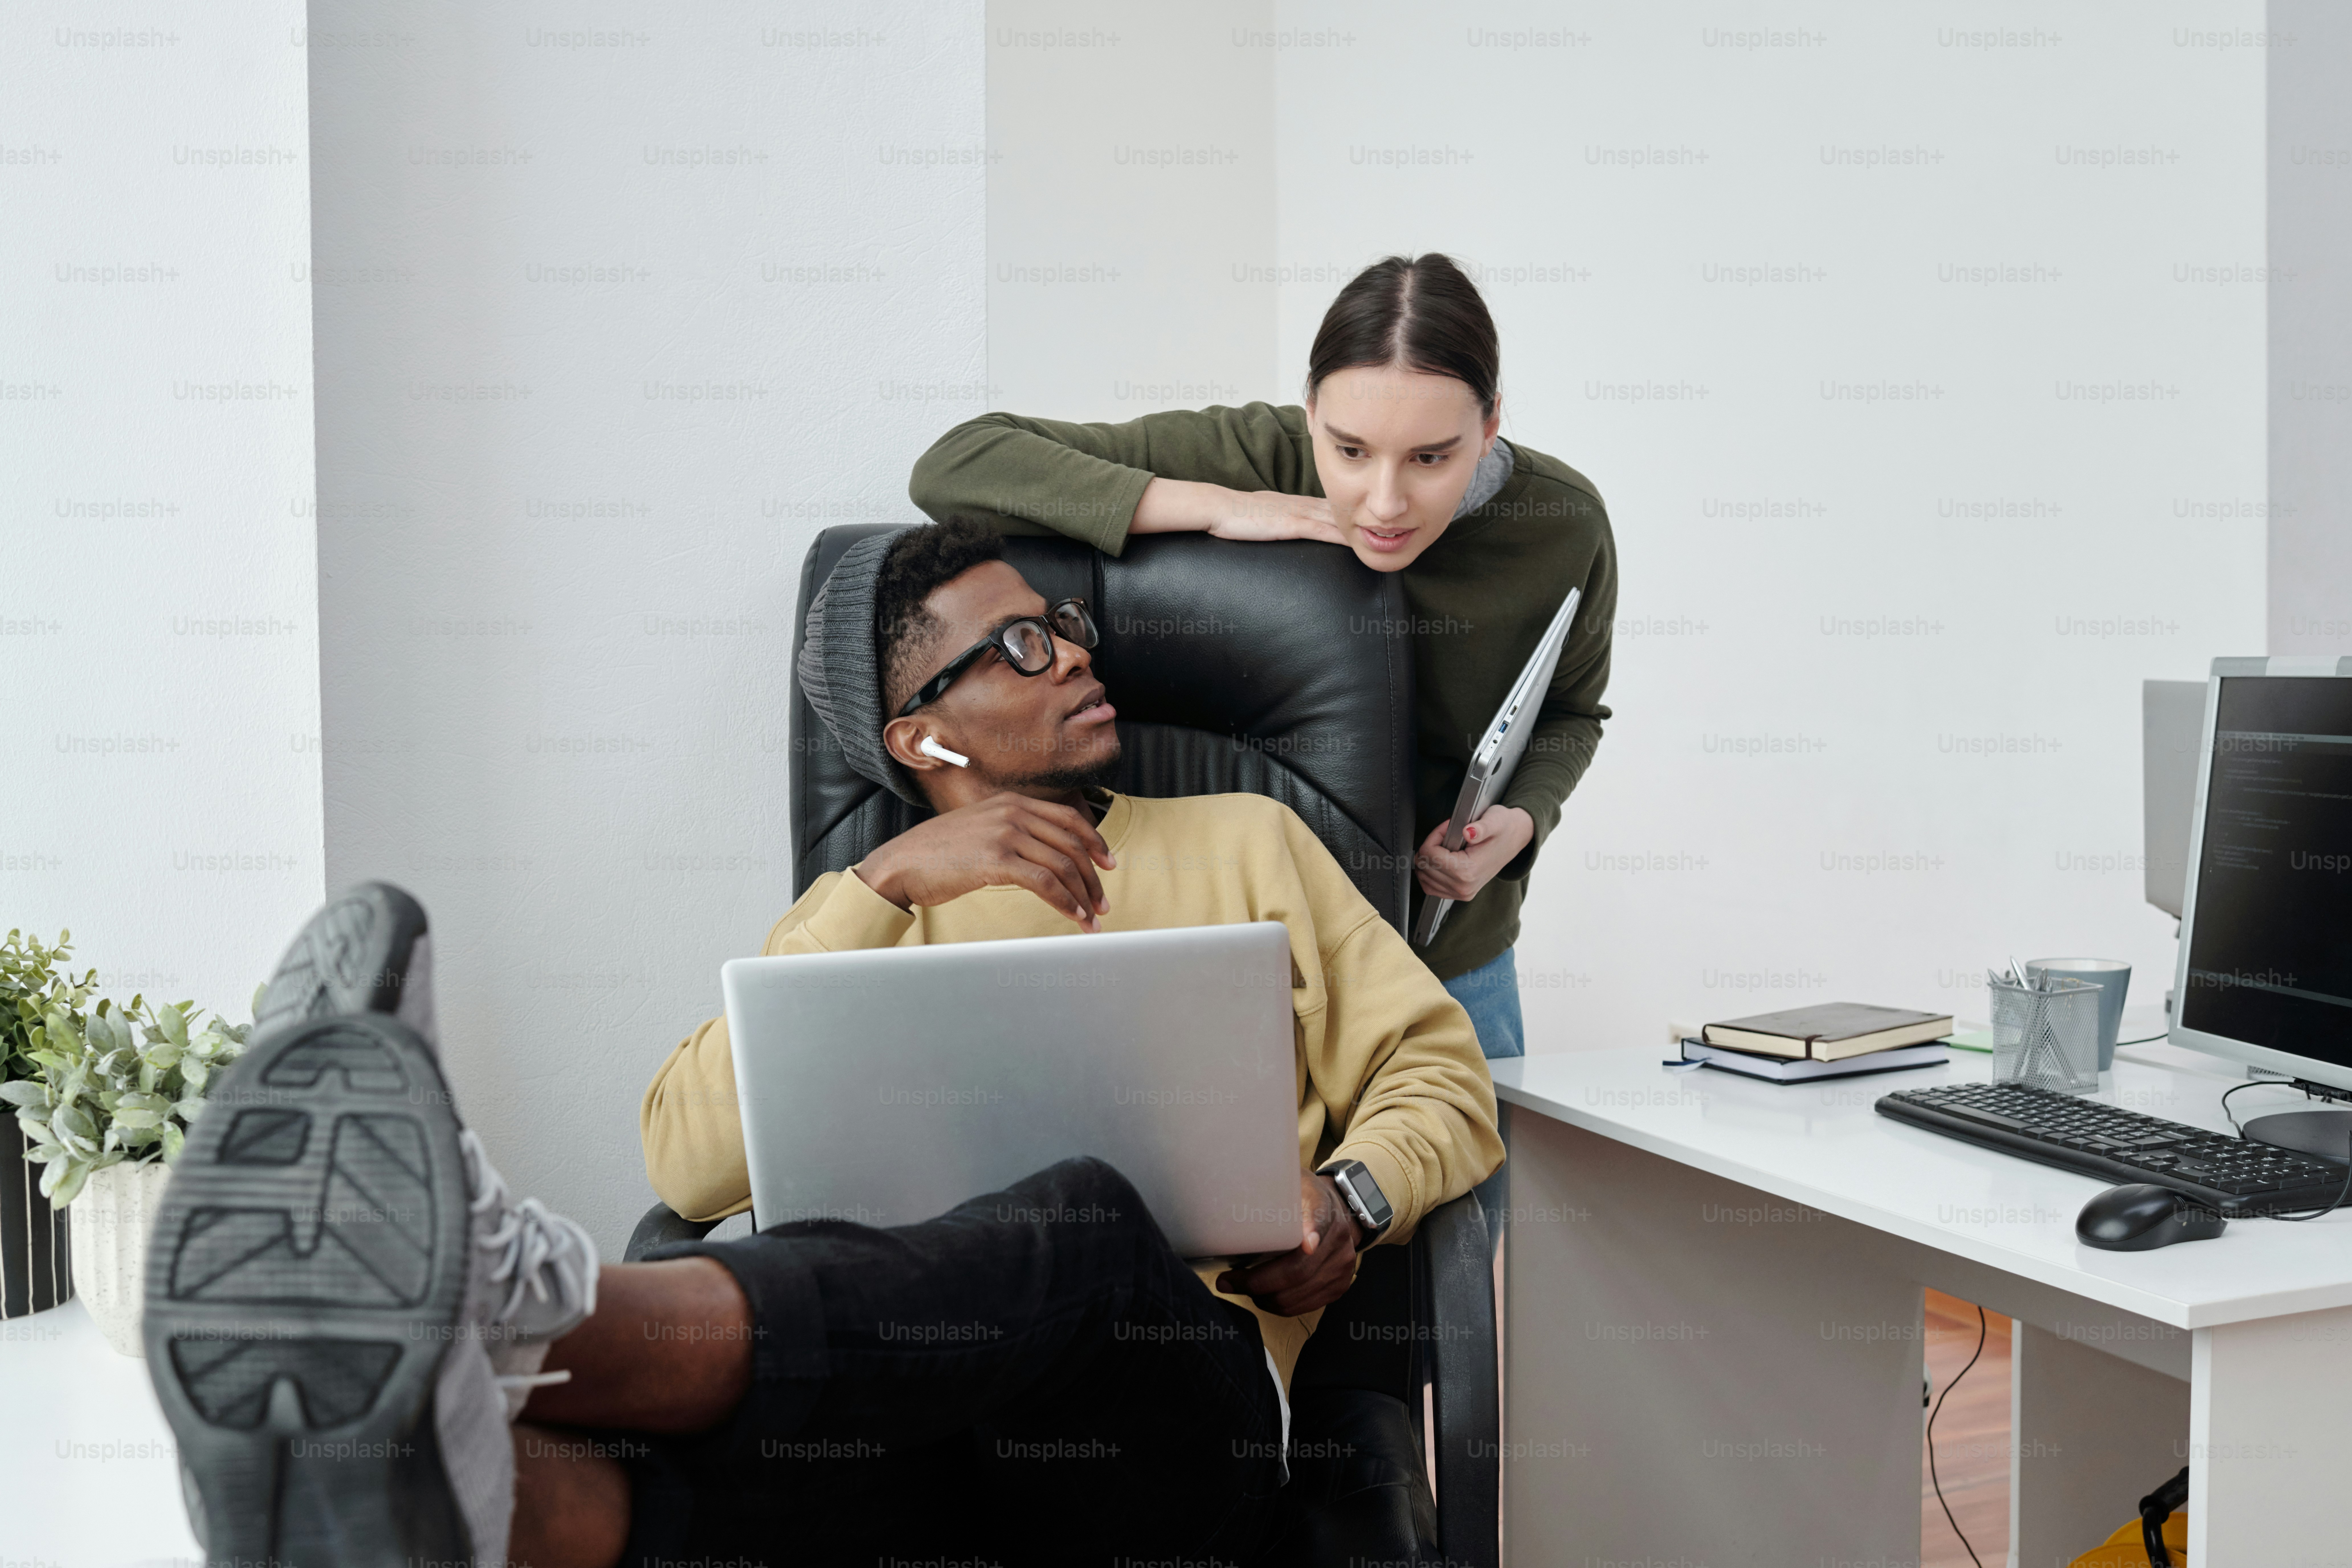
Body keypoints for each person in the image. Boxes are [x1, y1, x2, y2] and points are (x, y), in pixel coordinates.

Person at [145, 519, 1498, 1566]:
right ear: (919, 735)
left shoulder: (1248, 842)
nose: (1078, 653)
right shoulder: (861, 911)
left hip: (1173, 1428)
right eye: (1020, 645)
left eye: (1064, 625)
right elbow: (683, 1158)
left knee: (1088, 1213)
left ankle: (530, 1315)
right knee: (738, 1468)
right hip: (913, 1421)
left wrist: (1353, 1195)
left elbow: (1444, 1073)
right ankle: (433, 1490)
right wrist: (886, 885)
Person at [909, 252, 1617, 1063]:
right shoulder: (1255, 456)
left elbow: (1572, 712)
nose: (1385, 503)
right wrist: (1218, 507)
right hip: (1253, 959)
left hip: (1452, 956)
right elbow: (956, 464)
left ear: (1491, 425)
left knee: (1463, 1180)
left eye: (1431, 458)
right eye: (1350, 451)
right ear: (1311, 412)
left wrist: (1521, 823)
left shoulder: (1567, 526)